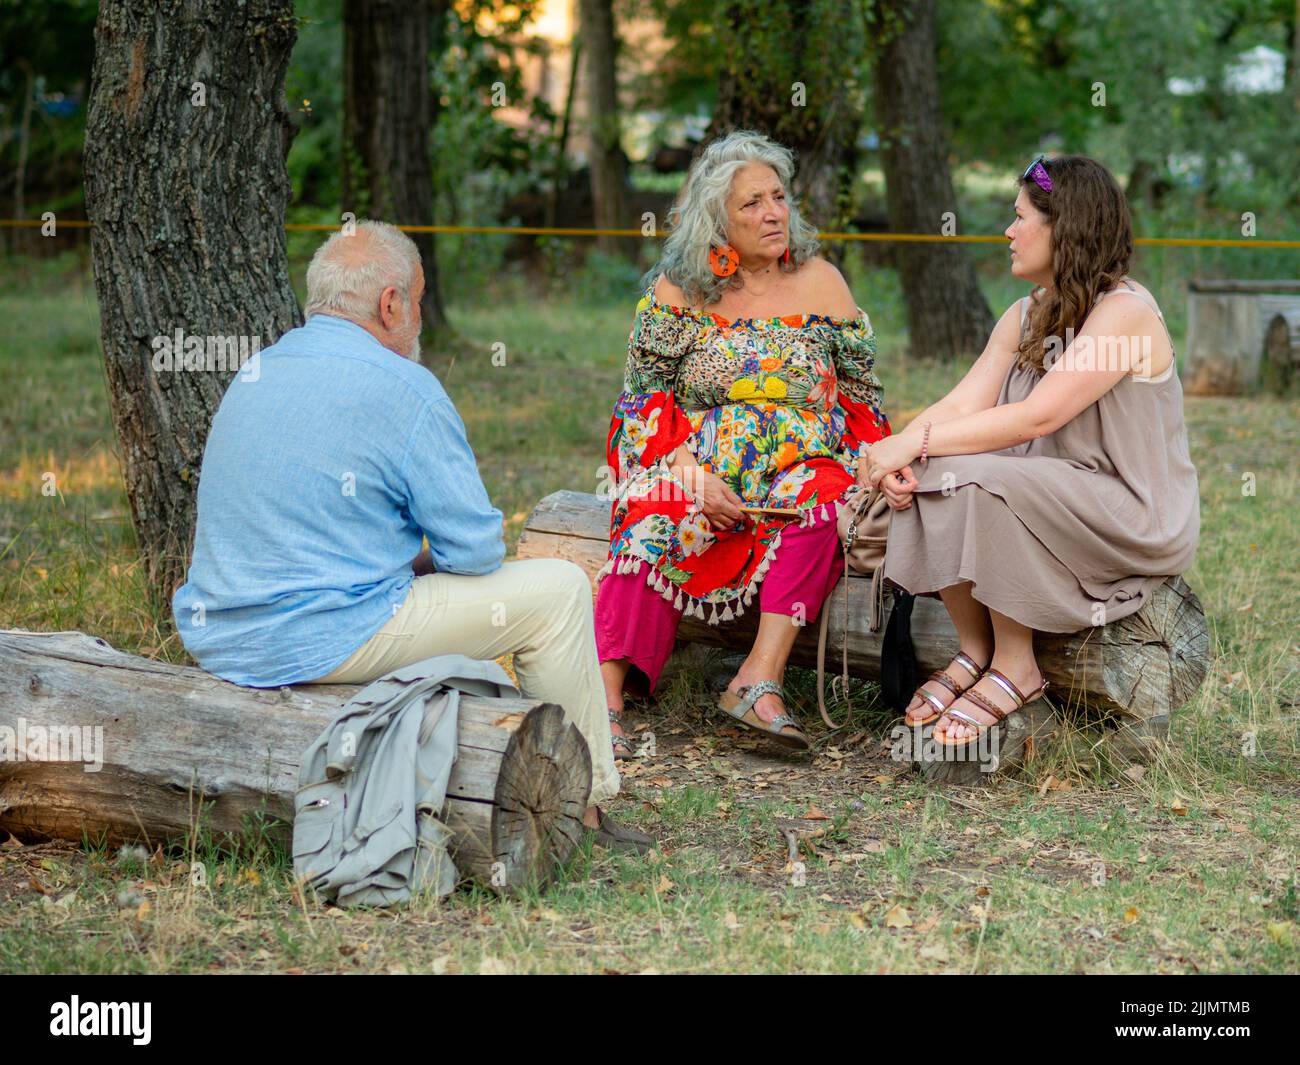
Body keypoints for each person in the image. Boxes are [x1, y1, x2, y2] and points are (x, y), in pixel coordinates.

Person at [172, 220, 650, 852]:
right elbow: (475, 551)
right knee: (558, 590)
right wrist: (418, 561)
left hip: (222, 636)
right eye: (420, 301)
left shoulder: (257, 368)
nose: (419, 317)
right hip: (320, 636)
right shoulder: (406, 386)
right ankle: (581, 810)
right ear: (391, 304)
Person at [863, 155, 1199, 752]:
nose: (1008, 231)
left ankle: (1016, 665)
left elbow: (1038, 416)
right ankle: (974, 650)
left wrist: (914, 441)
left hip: (1128, 507)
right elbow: (963, 404)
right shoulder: (1025, 313)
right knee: (939, 469)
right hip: (1056, 491)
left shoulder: (1124, 313)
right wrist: (900, 453)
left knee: (980, 476)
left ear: (1064, 227)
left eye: (1021, 218)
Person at [595, 130, 893, 754]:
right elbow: (642, 403)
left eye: (778, 197)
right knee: (653, 516)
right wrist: (690, 477)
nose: (773, 213)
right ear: (717, 221)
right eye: (752, 203)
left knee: (824, 505)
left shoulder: (823, 283)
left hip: (802, 466)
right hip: (698, 467)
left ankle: (756, 682)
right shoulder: (680, 290)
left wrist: (880, 462)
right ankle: (603, 700)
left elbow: (862, 401)